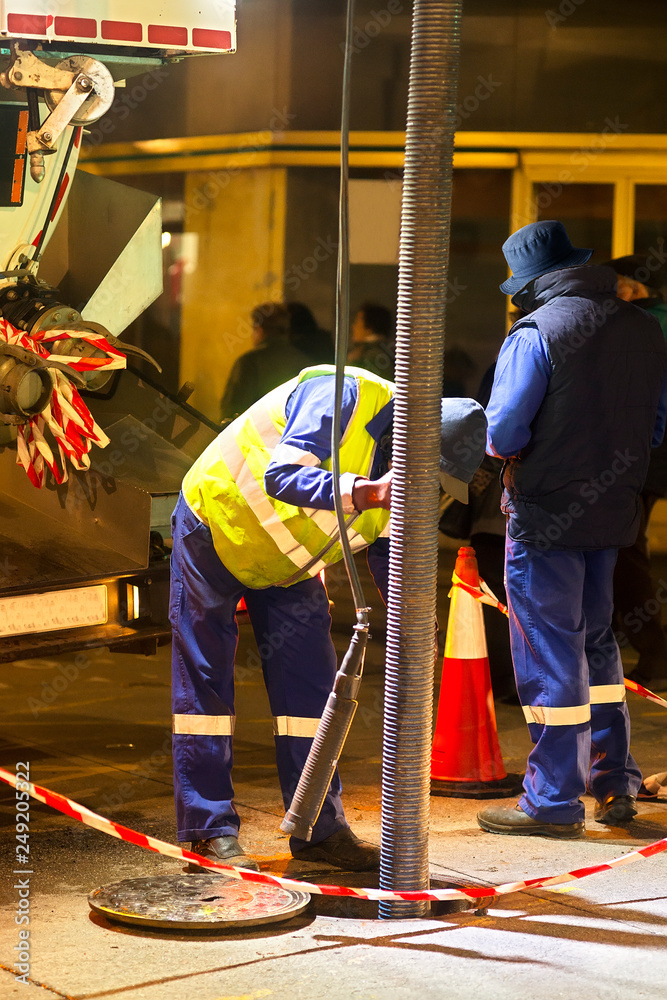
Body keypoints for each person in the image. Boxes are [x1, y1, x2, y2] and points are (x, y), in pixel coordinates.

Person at [171, 363, 486, 871]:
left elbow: (390, 557)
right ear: (408, 444)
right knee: (205, 684)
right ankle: (209, 831)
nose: (428, 493)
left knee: (312, 688)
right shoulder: (339, 393)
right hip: (215, 525)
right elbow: (281, 475)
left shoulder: (405, 482)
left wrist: (416, 626)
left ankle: (318, 827)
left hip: (289, 565)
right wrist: (369, 491)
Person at [476, 220, 667, 839]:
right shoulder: (642, 327)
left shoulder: (536, 332)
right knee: (597, 644)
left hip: (545, 515)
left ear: (528, 284)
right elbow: (656, 427)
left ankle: (553, 801)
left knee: (549, 650)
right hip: (615, 511)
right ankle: (615, 784)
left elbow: (503, 433)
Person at [607, 255, 667, 690]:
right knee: (626, 549)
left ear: (634, 288)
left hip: (643, 457)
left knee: (625, 551)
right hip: (652, 456)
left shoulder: (644, 326)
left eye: (615, 286)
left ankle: (655, 655)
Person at [220, 302, 310, 421]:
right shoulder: (304, 362)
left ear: (259, 330)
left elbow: (232, 408)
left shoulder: (248, 362)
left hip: (256, 430)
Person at [348, 302, 394, 378]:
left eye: (357, 322)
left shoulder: (368, 356)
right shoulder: (389, 352)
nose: (353, 327)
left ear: (369, 327)